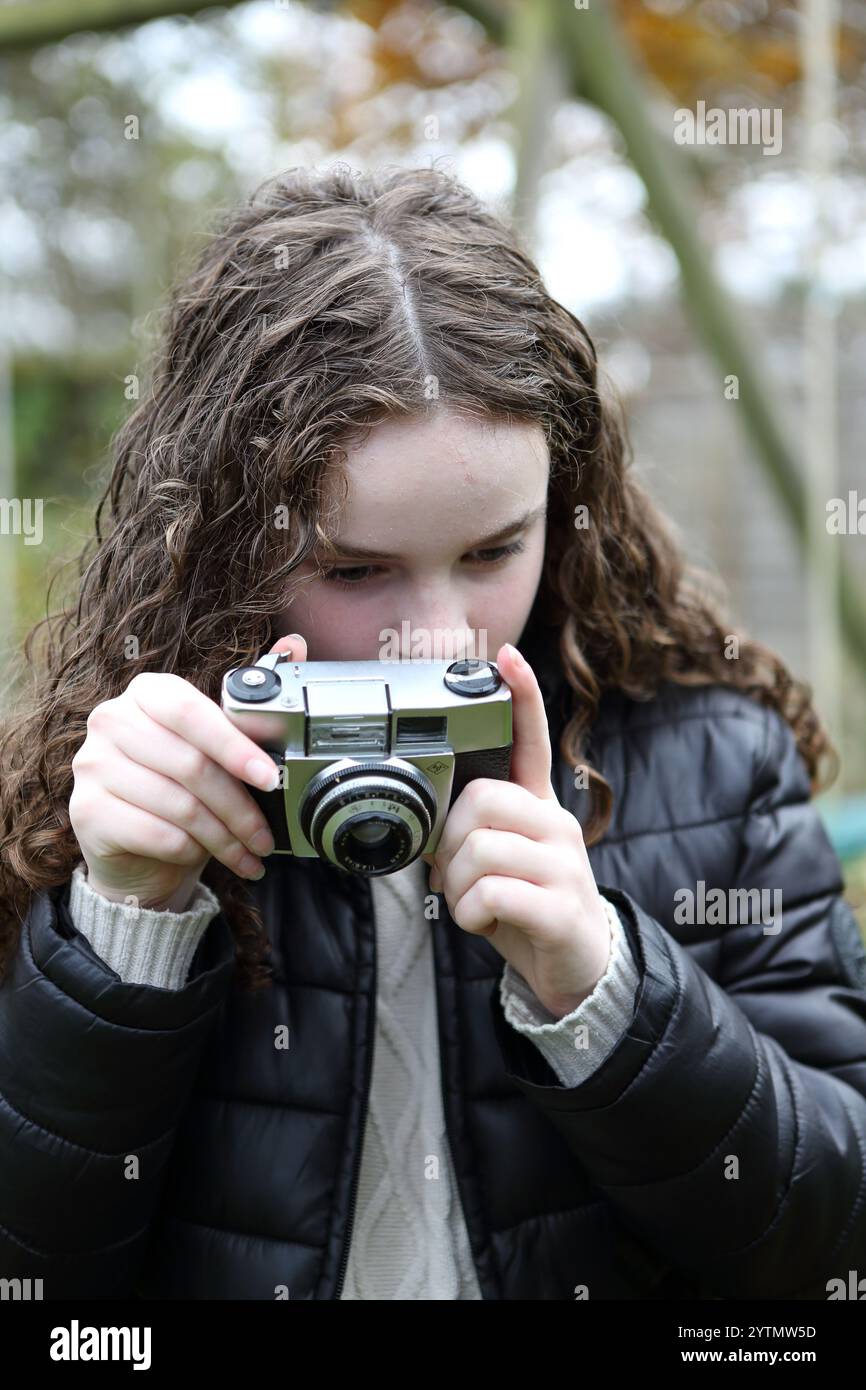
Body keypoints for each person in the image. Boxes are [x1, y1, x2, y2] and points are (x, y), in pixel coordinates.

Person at [1, 164, 865, 1302]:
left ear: (564, 505)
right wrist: (121, 935)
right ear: (221, 538)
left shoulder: (707, 761)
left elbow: (826, 1244)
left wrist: (604, 989)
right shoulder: (108, 786)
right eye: (355, 569)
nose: (435, 636)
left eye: (493, 550)